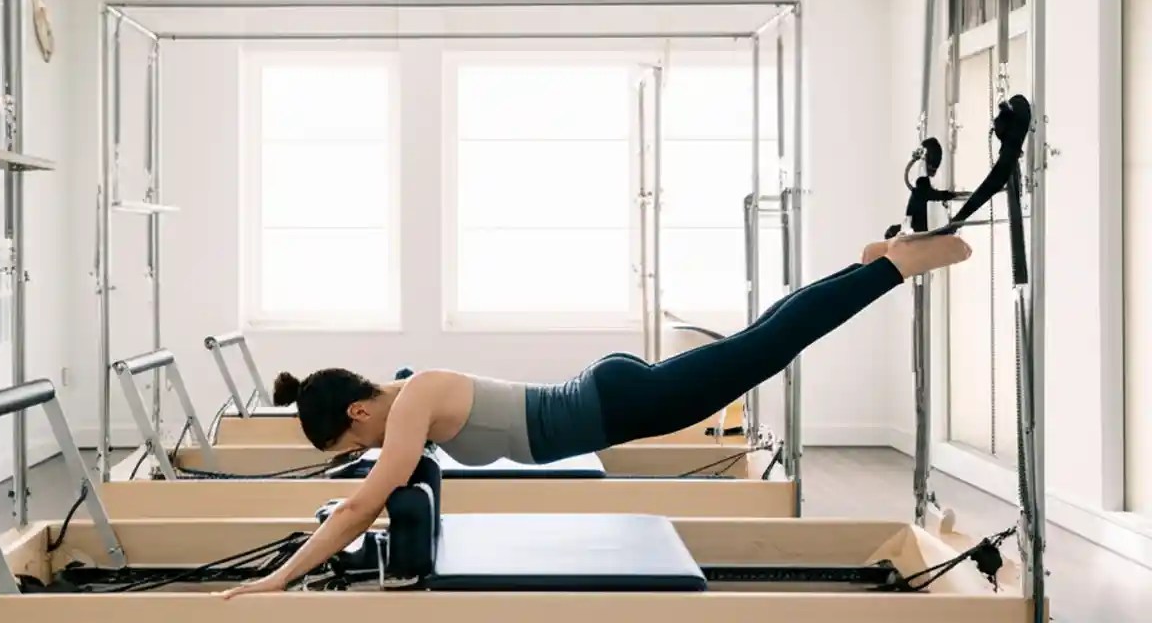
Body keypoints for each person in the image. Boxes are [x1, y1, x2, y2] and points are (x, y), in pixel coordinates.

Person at [221, 233, 971, 599]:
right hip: (606, 396)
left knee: (763, 349)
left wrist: (277, 579)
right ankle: (870, 262)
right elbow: (377, 485)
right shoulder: (406, 394)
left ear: (358, 410)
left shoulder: (412, 402)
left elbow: (362, 505)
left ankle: (891, 267)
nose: (363, 451)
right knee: (753, 346)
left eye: (352, 441)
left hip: (616, 404)